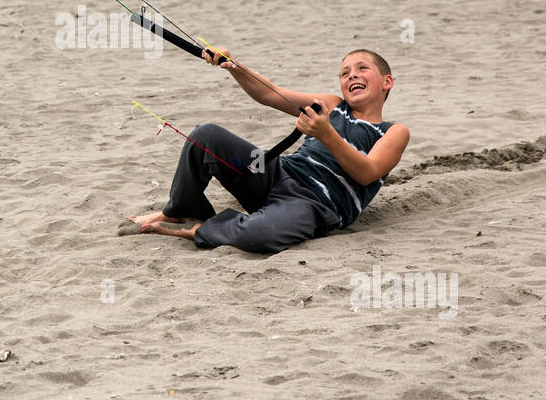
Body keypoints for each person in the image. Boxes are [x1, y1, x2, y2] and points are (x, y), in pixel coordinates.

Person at [130, 49, 410, 255]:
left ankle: (202, 229)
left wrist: (326, 133)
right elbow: (269, 94)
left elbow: (367, 173)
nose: (352, 75)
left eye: (362, 69)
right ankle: (181, 210)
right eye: (345, 73)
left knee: (260, 236)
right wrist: (234, 66)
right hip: (276, 172)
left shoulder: (393, 131)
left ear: (387, 82)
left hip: (313, 204)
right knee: (207, 136)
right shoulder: (332, 104)